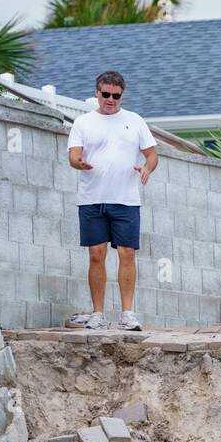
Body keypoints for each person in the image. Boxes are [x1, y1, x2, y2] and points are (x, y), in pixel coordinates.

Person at [65, 70, 158, 331]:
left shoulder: (135, 120)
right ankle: (98, 314)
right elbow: (73, 155)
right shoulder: (83, 122)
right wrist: (79, 163)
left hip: (126, 200)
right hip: (92, 199)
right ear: (97, 93)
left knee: (127, 253)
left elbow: (152, 154)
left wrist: (148, 168)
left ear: (121, 95)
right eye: (105, 94)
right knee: (96, 255)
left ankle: (127, 314)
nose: (110, 99)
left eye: (115, 96)